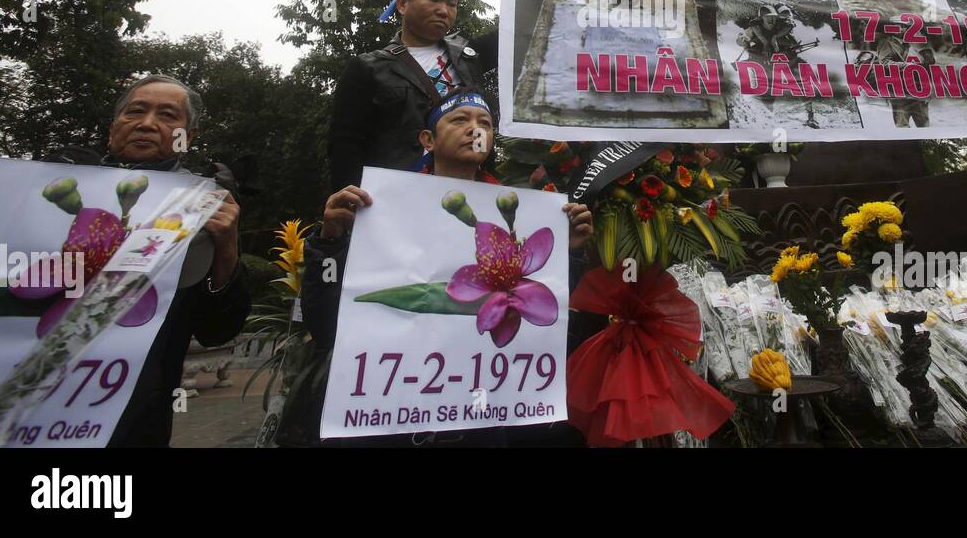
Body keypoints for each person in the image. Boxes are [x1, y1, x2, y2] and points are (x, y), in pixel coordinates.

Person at [300, 90, 593, 446]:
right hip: (386, 428)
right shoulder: (376, 211)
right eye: (459, 119)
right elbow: (323, 324)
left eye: (485, 123)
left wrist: (571, 254)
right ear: (428, 139)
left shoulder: (523, 216)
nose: (475, 129)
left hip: (480, 425)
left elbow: (544, 317)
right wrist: (329, 240)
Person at [44, 73, 249, 447]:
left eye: (168, 116)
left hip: (136, 418)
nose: (148, 123)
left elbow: (218, 330)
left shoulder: (206, 206)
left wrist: (227, 247)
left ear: (189, 136)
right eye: (135, 111)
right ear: (113, 129)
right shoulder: (53, 186)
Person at [328, 0, 499, 190]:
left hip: (473, 195)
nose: (443, 10)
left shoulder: (469, 55)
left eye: (451, 3)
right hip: (398, 200)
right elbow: (345, 144)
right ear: (402, 4)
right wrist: (351, 203)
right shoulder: (368, 68)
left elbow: (523, 35)